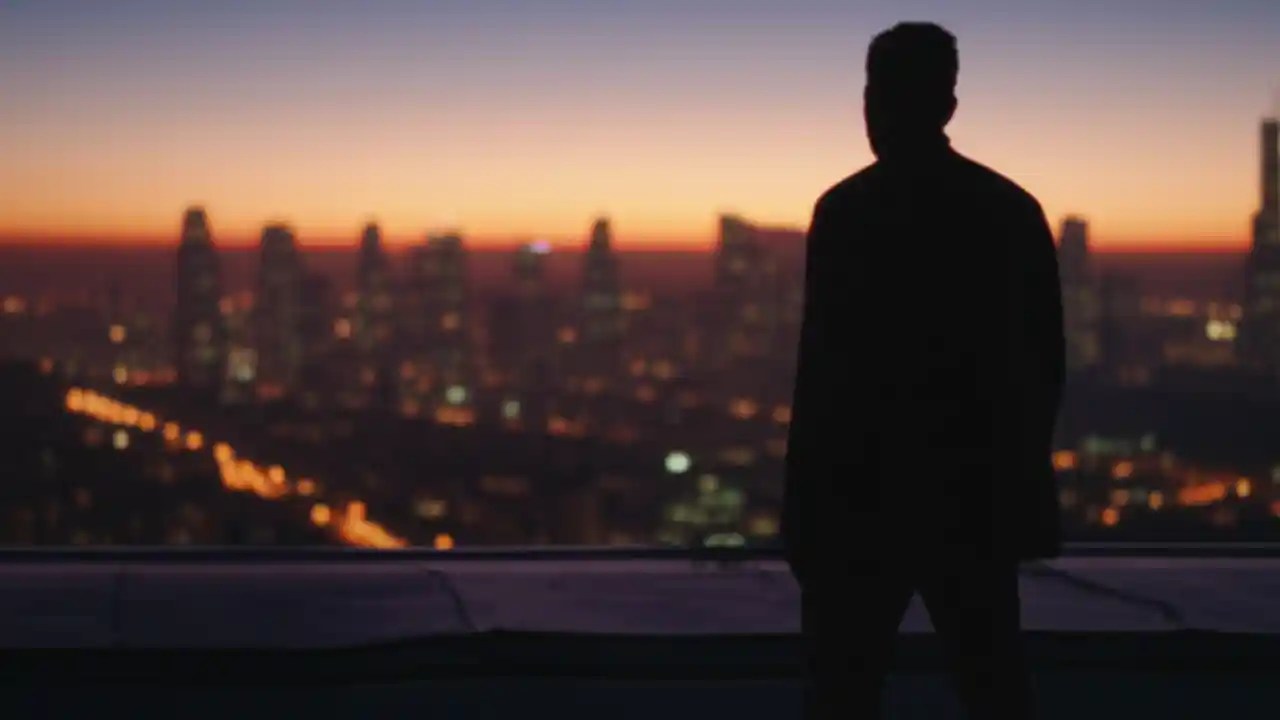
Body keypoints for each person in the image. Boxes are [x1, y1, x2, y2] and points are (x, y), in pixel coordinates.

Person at [782, 22, 1066, 720]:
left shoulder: (847, 211)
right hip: (974, 500)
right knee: (993, 682)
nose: (875, 111)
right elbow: (1042, 367)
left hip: (861, 501)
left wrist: (805, 511)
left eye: (882, 93)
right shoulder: (1008, 209)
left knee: (843, 693)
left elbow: (823, 377)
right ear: (950, 104)